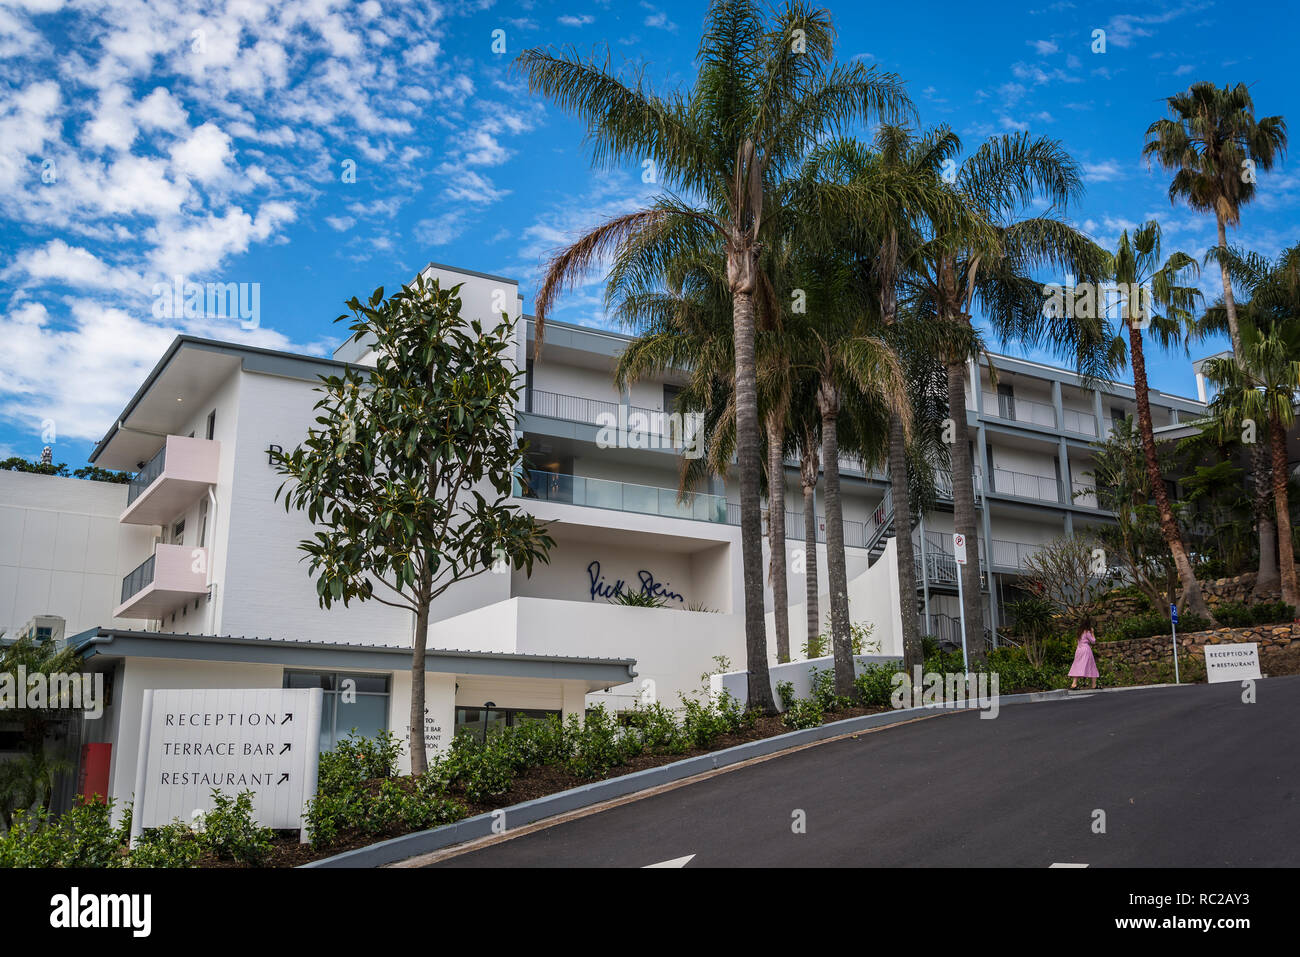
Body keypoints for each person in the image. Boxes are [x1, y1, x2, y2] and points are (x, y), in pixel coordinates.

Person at [1069, 617, 1099, 690]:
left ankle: (1074, 684)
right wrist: (1092, 633)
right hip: (1086, 650)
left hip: (1079, 649)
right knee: (1092, 666)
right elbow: (1093, 641)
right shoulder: (1087, 632)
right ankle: (1094, 685)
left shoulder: (1079, 631)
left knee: (1078, 665)